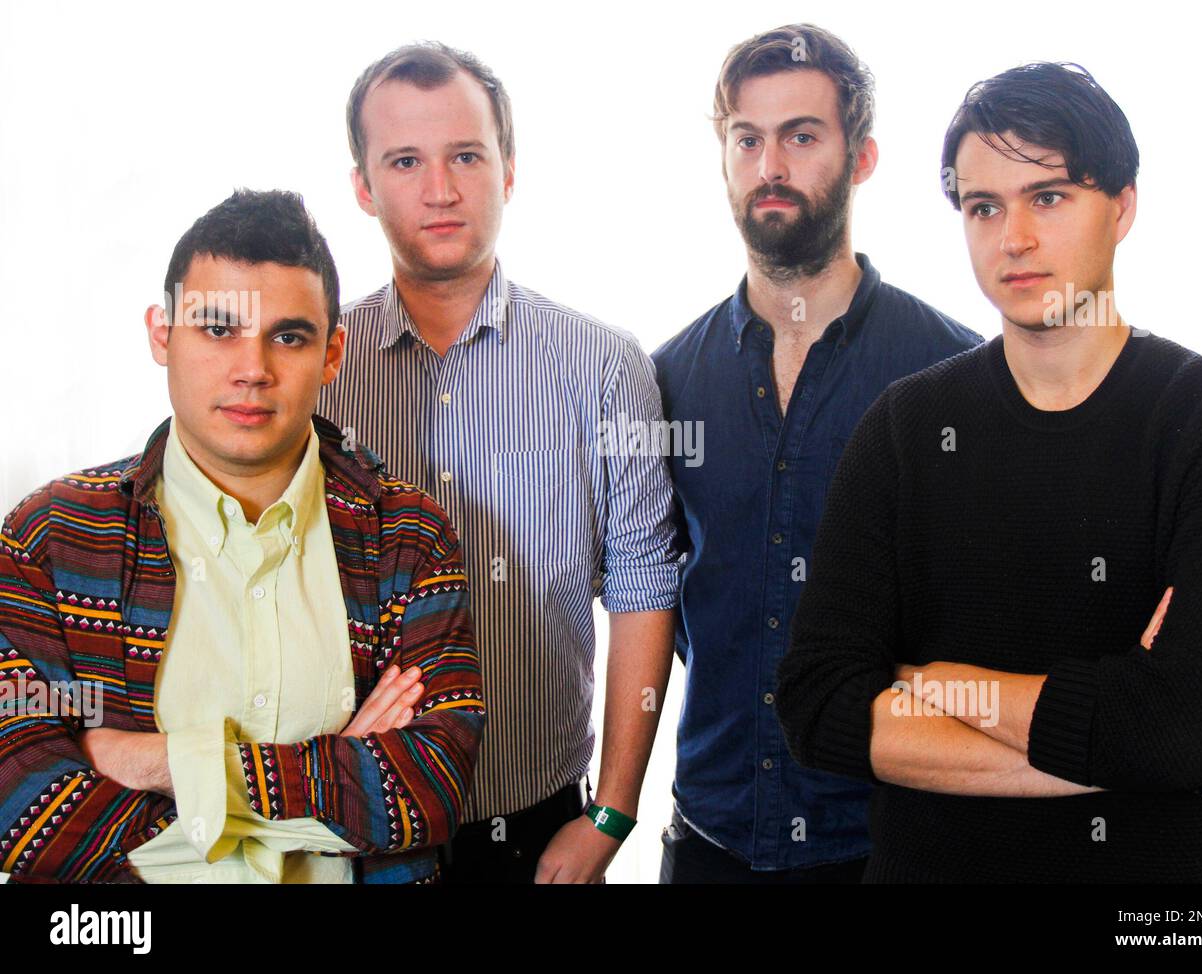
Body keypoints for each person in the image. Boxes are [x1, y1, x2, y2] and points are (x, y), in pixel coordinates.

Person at [778, 62, 1202, 882]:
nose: (1013, 238)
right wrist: (1121, 748)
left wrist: (938, 683)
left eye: (1047, 197)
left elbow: (1186, 725)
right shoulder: (906, 430)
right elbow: (817, 706)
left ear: (1121, 207)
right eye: (984, 207)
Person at [0, 189, 482, 884]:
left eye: (287, 336)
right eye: (218, 329)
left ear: (332, 353)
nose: (252, 369)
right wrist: (328, 785)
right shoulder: (50, 538)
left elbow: (427, 789)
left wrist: (161, 761)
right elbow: (28, 814)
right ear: (162, 335)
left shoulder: (408, 538)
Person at [318, 42, 679, 883]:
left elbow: (644, 591)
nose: (440, 189)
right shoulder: (316, 370)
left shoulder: (604, 366)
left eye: (466, 156)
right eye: (405, 161)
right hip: (356, 827)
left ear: (508, 170)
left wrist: (612, 816)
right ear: (364, 187)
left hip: (542, 829)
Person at [651, 24, 981, 883]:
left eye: (802, 136)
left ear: (862, 157)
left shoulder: (956, 374)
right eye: (747, 139)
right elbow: (663, 604)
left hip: (889, 848)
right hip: (708, 843)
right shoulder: (664, 381)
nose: (771, 166)